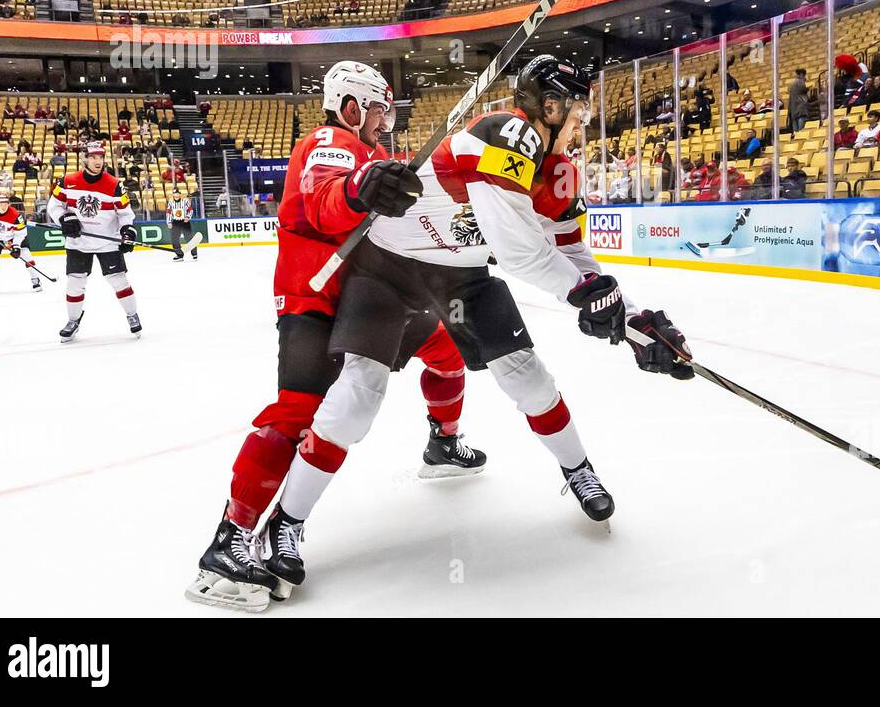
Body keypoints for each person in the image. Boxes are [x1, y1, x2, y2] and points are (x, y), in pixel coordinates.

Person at [258, 55, 693, 599]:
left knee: (527, 375)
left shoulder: (559, 171)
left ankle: (577, 469)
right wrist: (587, 296)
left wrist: (632, 321)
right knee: (356, 397)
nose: (584, 124)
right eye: (578, 111)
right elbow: (517, 251)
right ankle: (287, 522)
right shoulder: (505, 136)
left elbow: (570, 252)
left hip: (460, 276)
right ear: (551, 107)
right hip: (388, 268)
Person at [187, 62, 484, 612]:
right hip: (316, 298)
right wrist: (361, 188)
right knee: (299, 410)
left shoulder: (370, 154)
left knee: (447, 354)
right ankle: (230, 542)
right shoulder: (331, 140)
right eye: (376, 111)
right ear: (351, 107)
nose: (383, 123)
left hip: (374, 297)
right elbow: (327, 205)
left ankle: (443, 442)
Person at [46, 141, 141, 341]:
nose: (98, 161)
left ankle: (132, 315)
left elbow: (125, 213)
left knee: (119, 280)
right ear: (85, 159)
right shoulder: (67, 181)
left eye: (101, 157)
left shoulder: (114, 185)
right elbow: (54, 205)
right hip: (78, 242)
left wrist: (127, 232)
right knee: (75, 284)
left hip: (107, 241)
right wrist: (64, 218)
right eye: (93, 157)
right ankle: (73, 320)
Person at [0, 193, 42, 294]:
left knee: (26, 256)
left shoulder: (15, 215)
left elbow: (21, 233)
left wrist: (16, 246)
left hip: (15, 237)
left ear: (9, 204)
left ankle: (35, 279)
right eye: (1, 203)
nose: (3, 206)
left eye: (5, 203)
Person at [166, 189, 198, 261]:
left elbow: (190, 210)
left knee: (189, 238)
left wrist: (188, 217)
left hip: (184, 222)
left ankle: (194, 254)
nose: (176, 195)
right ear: (173, 195)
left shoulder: (185, 201)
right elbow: (168, 212)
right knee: (174, 239)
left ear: (180, 194)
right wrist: (169, 222)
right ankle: (179, 255)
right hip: (176, 222)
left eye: (177, 194)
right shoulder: (170, 202)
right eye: (175, 194)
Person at [787, 68, 810, 134]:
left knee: (795, 132)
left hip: (793, 110)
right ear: (802, 74)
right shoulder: (800, 81)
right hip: (801, 108)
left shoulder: (792, 85)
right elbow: (803, 89)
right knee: (800, 132)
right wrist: (808, 88)